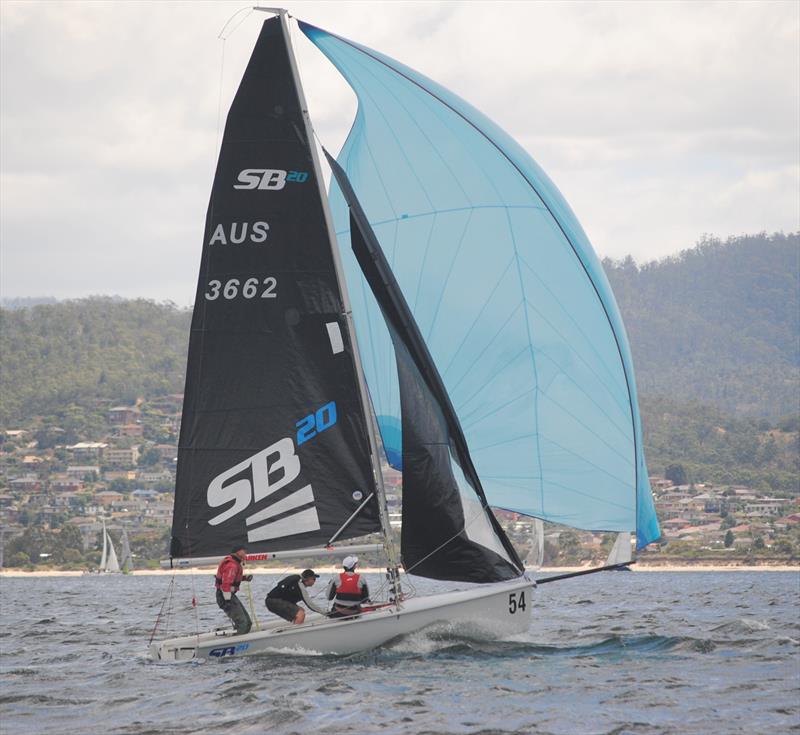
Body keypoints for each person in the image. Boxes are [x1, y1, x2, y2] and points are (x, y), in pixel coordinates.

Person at [215, 546, 253, 635]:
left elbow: (231, 579)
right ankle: (238, 644)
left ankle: (239, 638)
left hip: (228, 595)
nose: (245, 553)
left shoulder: (235, 564)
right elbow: (226, 584)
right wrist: (227, 600)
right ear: (237, 552)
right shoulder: (231, 565)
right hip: (225, 596)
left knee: (247, 623)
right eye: (244, 551)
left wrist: (244, 578)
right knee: (243, 623)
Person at [326, 555, 370, 619]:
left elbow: (329, 597)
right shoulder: (362, 579)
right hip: (355, 613)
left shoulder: (336, 578)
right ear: (354, 567)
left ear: (344, 567)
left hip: (338, 613)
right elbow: (365, 599)